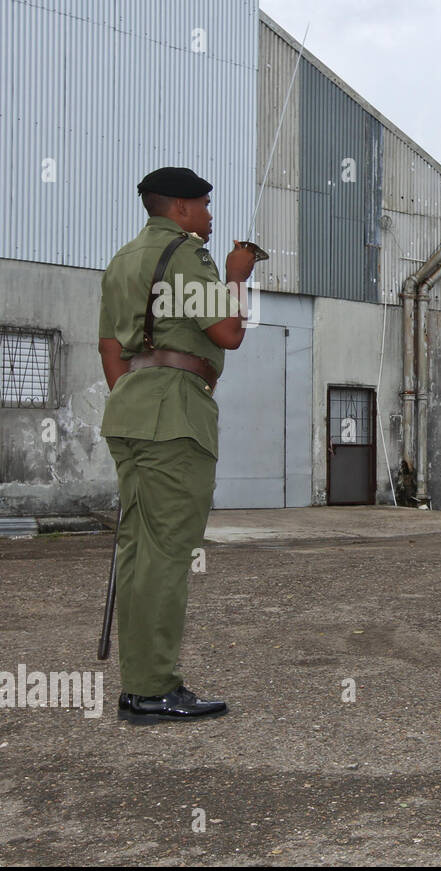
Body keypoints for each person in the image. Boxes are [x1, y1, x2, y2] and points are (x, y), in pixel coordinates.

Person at [98, 166, 255, 724]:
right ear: (181, 209)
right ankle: (152, 690)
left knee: (139, 550)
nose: (210, 216)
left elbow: (109, 349)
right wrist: (237, 276)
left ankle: (139, 686)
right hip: (173, 415)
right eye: (206, 206)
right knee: (166, 553)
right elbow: (228, 335)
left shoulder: (121, 260)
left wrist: (137, 398)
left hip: (131, 412)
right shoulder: (188, 255)